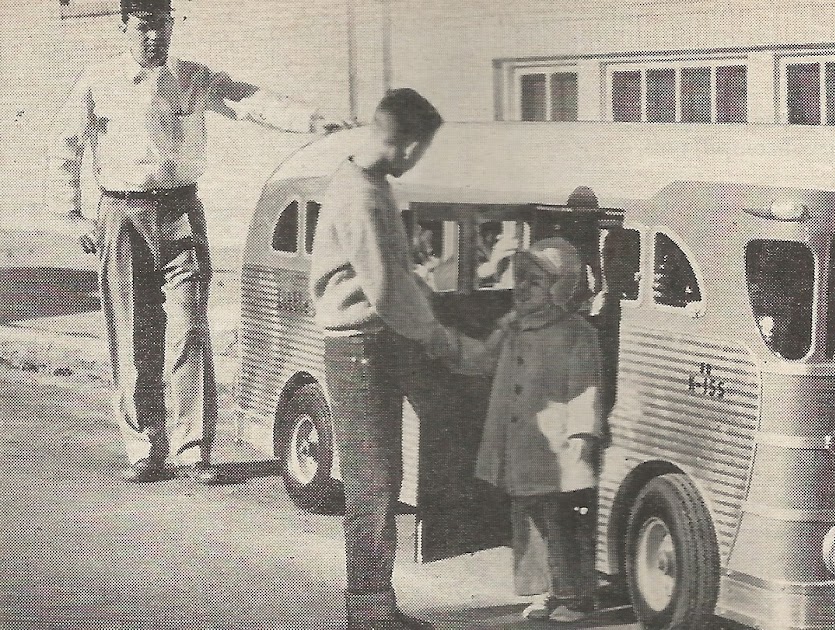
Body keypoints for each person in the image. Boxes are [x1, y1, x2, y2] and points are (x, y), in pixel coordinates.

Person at [43, 0, 350, 485]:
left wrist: (314, 121)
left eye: (162, 26)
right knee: (134, 332)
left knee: (190, 328)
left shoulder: (193, 77)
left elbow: (250, 101)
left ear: (171, 25)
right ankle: (145, 446)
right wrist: (73, 213)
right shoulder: (98, 80)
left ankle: (193, 449)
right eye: (144, 28)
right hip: (122, 213)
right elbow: (66, 143)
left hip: (182, 212)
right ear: (124, 25)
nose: (154, 38)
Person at [310, 88, 461, 630]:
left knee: (382, 479)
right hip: (359, 350)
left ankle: (374, 606)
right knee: (373, 484)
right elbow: (387, 291)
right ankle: (368, 614)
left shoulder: (366, 183)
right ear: (408, 144)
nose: (419, 161)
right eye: (422, 151)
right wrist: (439, 338)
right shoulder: (364, 196)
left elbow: (388, 273)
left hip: (372, 344)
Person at [453, 237, 605, 623]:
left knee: (562, 522)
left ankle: (575, 594)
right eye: (519, 279)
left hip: (555, 451)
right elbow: (485, 360)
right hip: (520, 447)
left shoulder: (576, 333)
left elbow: (584, 390)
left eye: (534, 282)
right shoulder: (515, 327)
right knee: (529, 521)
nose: (521, 288)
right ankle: (543, 590)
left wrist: (581, 440)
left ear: (558, 290)